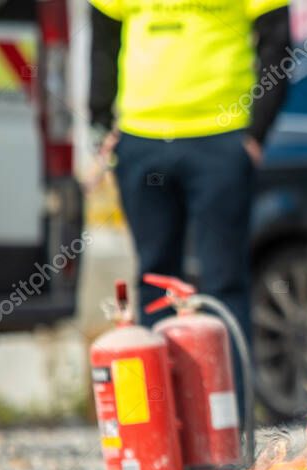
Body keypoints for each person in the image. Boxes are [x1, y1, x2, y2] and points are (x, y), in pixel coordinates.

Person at [88, 0, 291, 407]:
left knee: (223, 282)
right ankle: (165, 413)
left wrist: (254, 134)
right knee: (154, 280)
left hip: (219, 137)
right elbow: (103, 38)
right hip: (141, 137)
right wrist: (100, 122)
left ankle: (226, 417)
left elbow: (277, 45)